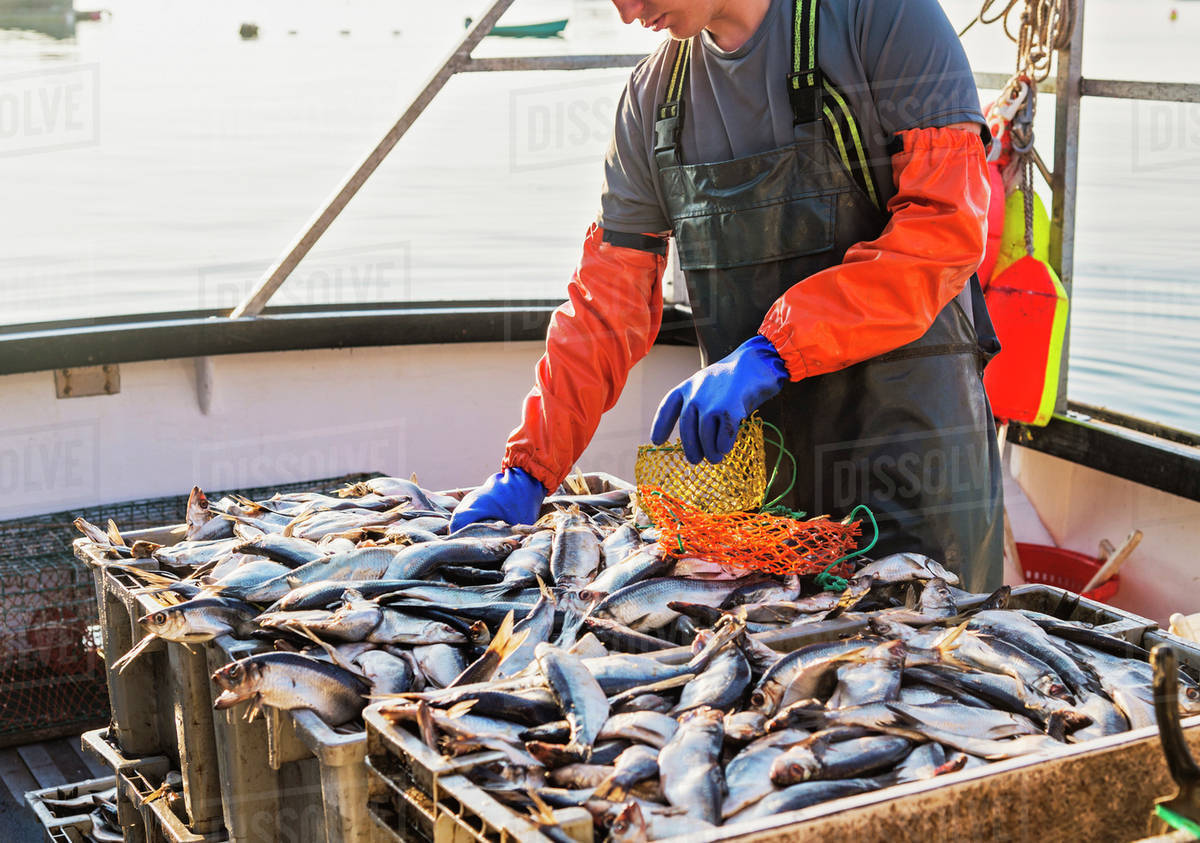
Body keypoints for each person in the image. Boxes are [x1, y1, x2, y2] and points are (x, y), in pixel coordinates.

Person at [450, 0, 1005, 592]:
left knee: (925, 639)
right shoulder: (653, 99)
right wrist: (532, 467)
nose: (628, 13)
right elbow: (606, 304)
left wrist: (775, 349)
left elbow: (944, 232)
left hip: (914, 463)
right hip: (763, 494)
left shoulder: (883, 18)